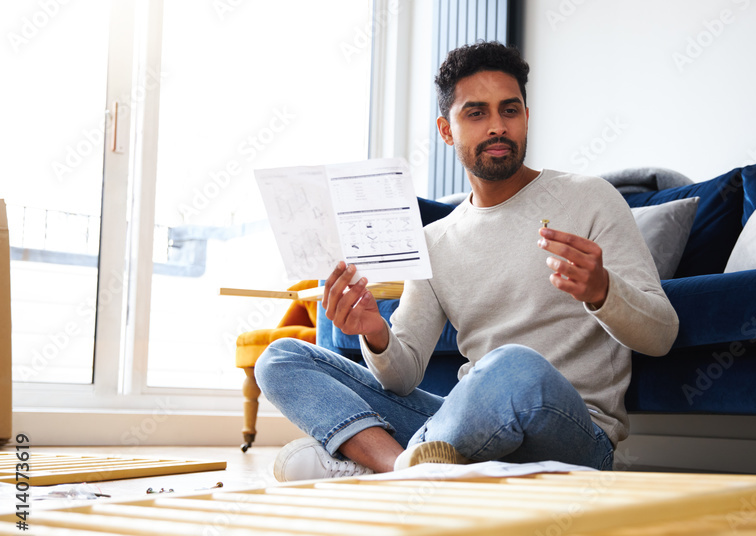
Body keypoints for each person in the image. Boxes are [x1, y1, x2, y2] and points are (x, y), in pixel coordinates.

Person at [257, 41, 678, 481]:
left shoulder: (590, 199)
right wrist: (376, 334)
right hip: (467, 426)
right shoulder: (435, 240)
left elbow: (662, 335)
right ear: (446, 130)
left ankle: (384, 468)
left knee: (513, 365)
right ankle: (402, 468)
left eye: (509, 110)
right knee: (280, 358)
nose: (497, 126)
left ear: (526, 117)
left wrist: (604, 291)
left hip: (575, 435)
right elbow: (402, 376)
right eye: (476, 113)